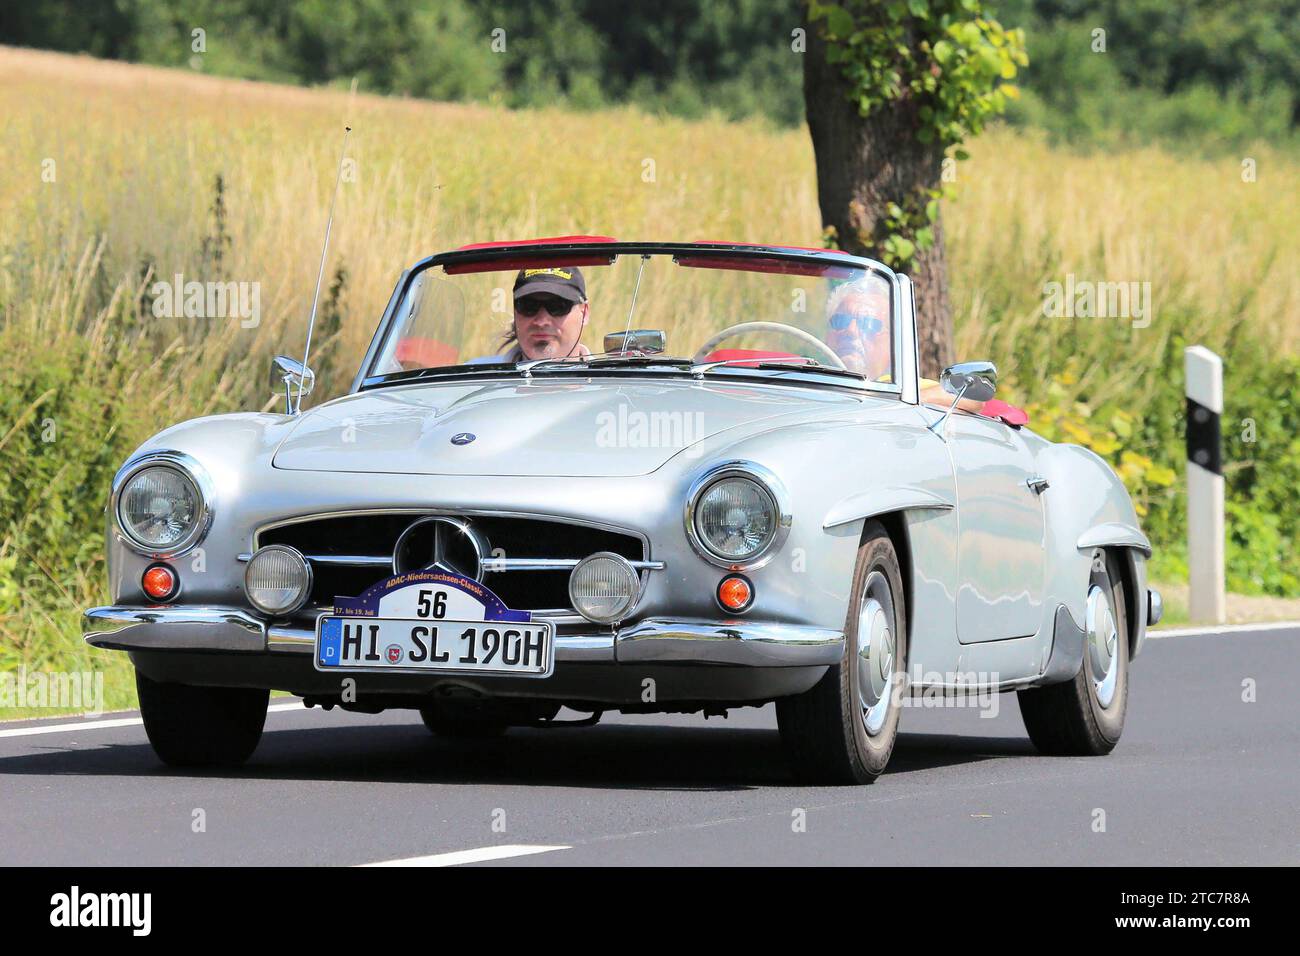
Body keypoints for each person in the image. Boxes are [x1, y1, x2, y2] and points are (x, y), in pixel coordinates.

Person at [824, 276, 984, 412]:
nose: (851, 331)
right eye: (840, 321)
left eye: (869, 324)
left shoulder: (894, 385)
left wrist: (901, 400)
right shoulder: (805, 373)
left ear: (892, 341)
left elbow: (973, 394)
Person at [468, 266, 592, 364]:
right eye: (528, 306)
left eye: (558, 306)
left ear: (584, 312)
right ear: (515, 311)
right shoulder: (474, 379)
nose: (542, 321)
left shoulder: (606, 384)